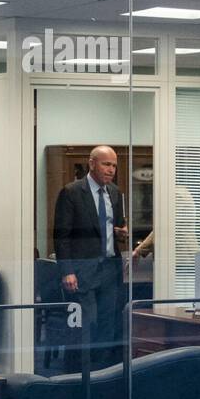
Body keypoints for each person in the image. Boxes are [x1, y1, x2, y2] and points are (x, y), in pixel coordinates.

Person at [53, 146, 128, 371]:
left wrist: (119, 232)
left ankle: (101, 373)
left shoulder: (114, 193)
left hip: (109, 268)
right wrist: (67, 270)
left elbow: (110, 226)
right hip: (82, 269)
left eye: (114, 165)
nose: (111, 170)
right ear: (92, 163)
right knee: (86, 324)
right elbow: (61, 235)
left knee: (108, 324)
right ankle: (76, 373)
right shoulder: (72, 192)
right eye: (106, 164)